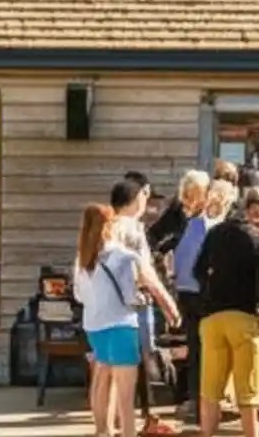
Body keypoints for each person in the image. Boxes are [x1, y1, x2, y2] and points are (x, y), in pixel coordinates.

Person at [75, 201, 180, 437]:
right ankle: (129, 432)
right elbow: (151, 283)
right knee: (125, 388)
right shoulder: (124, 256)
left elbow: (79, 295)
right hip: (121, 323)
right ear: (110, 227)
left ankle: (103, 430)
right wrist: (170, 308)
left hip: (94, 325)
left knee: (102, 377)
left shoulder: (83, 260)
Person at [194, 186, 259, 437]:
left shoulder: (215, 232)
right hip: (244, 317)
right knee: (248, 389)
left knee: (210, 388)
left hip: (212, 317)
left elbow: (197, 270)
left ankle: (206, 433)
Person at [111, 175, 176, 437]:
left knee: (110, 367)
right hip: (136, 303)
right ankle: (143, 419)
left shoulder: (106, 225)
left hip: (108, 307)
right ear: (138, 196)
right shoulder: (134, 230)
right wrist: (167, 302)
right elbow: (144, 271)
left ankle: (112, 423)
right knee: (141, 360)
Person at [172, 174, 228, 424]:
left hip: (185, 292)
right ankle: (207, 404)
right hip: (202, 295)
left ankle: (197, 401)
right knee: (209, 350)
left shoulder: (191, 223)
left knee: (197, 349)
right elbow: (204, 265)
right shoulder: (208, 226)